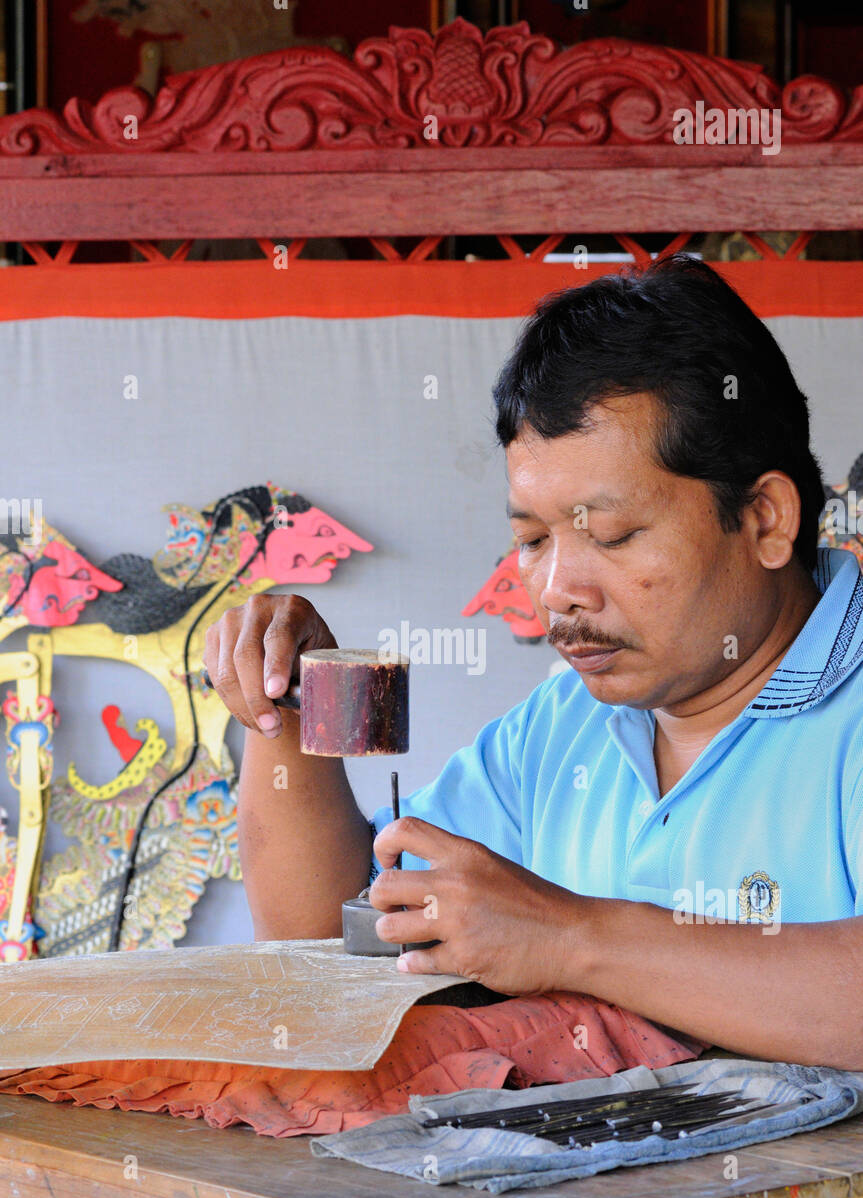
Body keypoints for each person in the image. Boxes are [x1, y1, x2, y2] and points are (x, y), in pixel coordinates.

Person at [204, 254, 863, 1068]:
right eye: (531, 540)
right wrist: (283, 710)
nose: (556, 591)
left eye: (613, 536)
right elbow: (321, 951)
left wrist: (570, 936)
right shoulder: (559, 732)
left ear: (764, 519)